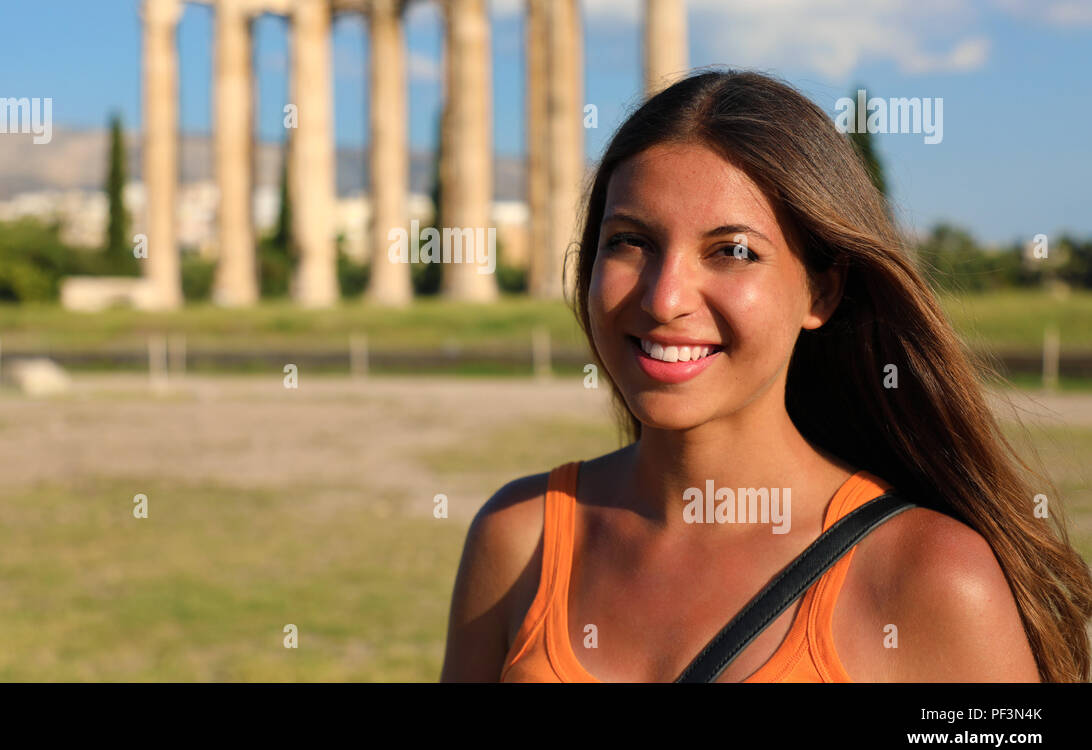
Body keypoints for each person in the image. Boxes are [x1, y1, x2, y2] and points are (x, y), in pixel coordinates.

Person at [440, 68, 1092, 682]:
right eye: (630, 241)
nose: (665, 298)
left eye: (733, 251)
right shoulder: (519, 536)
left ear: (821, 293)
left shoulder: (930, 576)